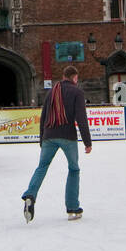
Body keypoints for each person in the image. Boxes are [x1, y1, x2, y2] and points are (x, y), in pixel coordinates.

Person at [22, 66, 92, 222]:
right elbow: (81, 118)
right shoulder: (77, 92)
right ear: (75, 77)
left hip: (49, 135)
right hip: (67, 136)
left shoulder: (52, 91)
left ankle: (30, 195)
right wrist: (87, 142)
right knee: (73, 169)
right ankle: (72, 208)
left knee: (42, 167)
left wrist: (42, 138)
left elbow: (44, 115)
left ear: (63, 76)